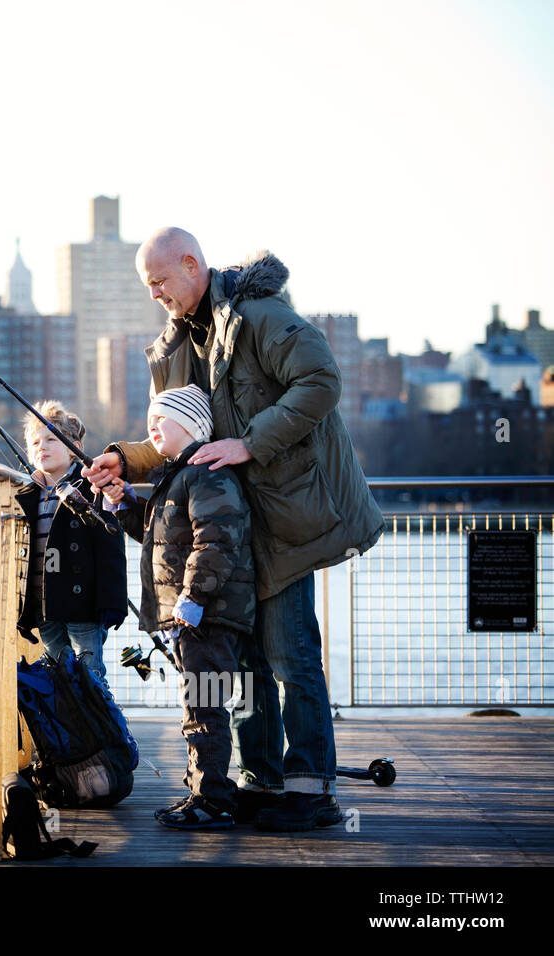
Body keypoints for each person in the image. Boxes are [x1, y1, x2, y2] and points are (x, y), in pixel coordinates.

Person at [82, 227, 384, 831]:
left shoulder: (260, 316)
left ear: (191, 265)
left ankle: (312, 791)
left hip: (287, 520)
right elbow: (180, 437)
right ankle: (264, 780)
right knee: (245, 663)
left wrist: (248, 444)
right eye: (149, 287)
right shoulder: (175, 346)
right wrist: (126, 458)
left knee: (290, 656)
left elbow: (322, 382)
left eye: (159, 282)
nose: (155, 296)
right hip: (237, 531)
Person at [104, 384, 255, 829]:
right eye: (149, 417)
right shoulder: (176, 475)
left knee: (204, 706)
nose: (151, 425)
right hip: (191, 615)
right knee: (197, 705)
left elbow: (216, 540)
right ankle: (200, 793)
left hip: (208, 614)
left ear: (191, 424)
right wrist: (124, 505)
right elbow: (160, 541)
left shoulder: (206, 473)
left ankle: (212, 801)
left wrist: (194, 598)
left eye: (161, 418)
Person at [14, 400, 126, 688]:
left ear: (74, 447)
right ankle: (70, 732)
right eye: (36, 442)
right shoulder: (28, 493)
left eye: (52, 439)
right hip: (46, 604)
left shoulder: (91, 488)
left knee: (90, 677)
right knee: (57, 677)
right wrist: (23, 611)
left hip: (83, 604)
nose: (43, 446)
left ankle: (104, 731)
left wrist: (112, 601)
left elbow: (111, 549)